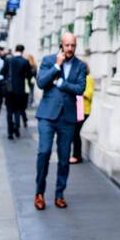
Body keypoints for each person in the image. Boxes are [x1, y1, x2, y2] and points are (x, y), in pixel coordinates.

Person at [34, 31, 87, 210]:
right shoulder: (49, 60)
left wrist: (61, 84)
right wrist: (57, 67)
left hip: (68, 118)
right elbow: (41, 83)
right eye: (67, 45)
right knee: (44, 152)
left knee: (64, 158)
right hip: (47, 115)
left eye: (73, 45)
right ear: (61, 45)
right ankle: (39, 193)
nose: (70, 48)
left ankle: (59, 194)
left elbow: (80, 89)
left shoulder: (80, 66)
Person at [3, 44, 33, 140]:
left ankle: (10, 132)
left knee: (9, 111)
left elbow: (2, 72)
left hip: (9, 89)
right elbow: (29, 75)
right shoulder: (25, 61)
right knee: (18, 110)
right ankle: (17, 126)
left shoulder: (8, 60)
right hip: (20, 90)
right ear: (22, 51)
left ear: (15, 50)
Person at [69, 71, 94, 164]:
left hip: (83, 110)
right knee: (74, 132)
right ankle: (76, 155)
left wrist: (77, 91)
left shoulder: (88, 79)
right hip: (77, 109)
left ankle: (77, 156)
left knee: (75, 132)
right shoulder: (78, 79)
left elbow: (89, 94)